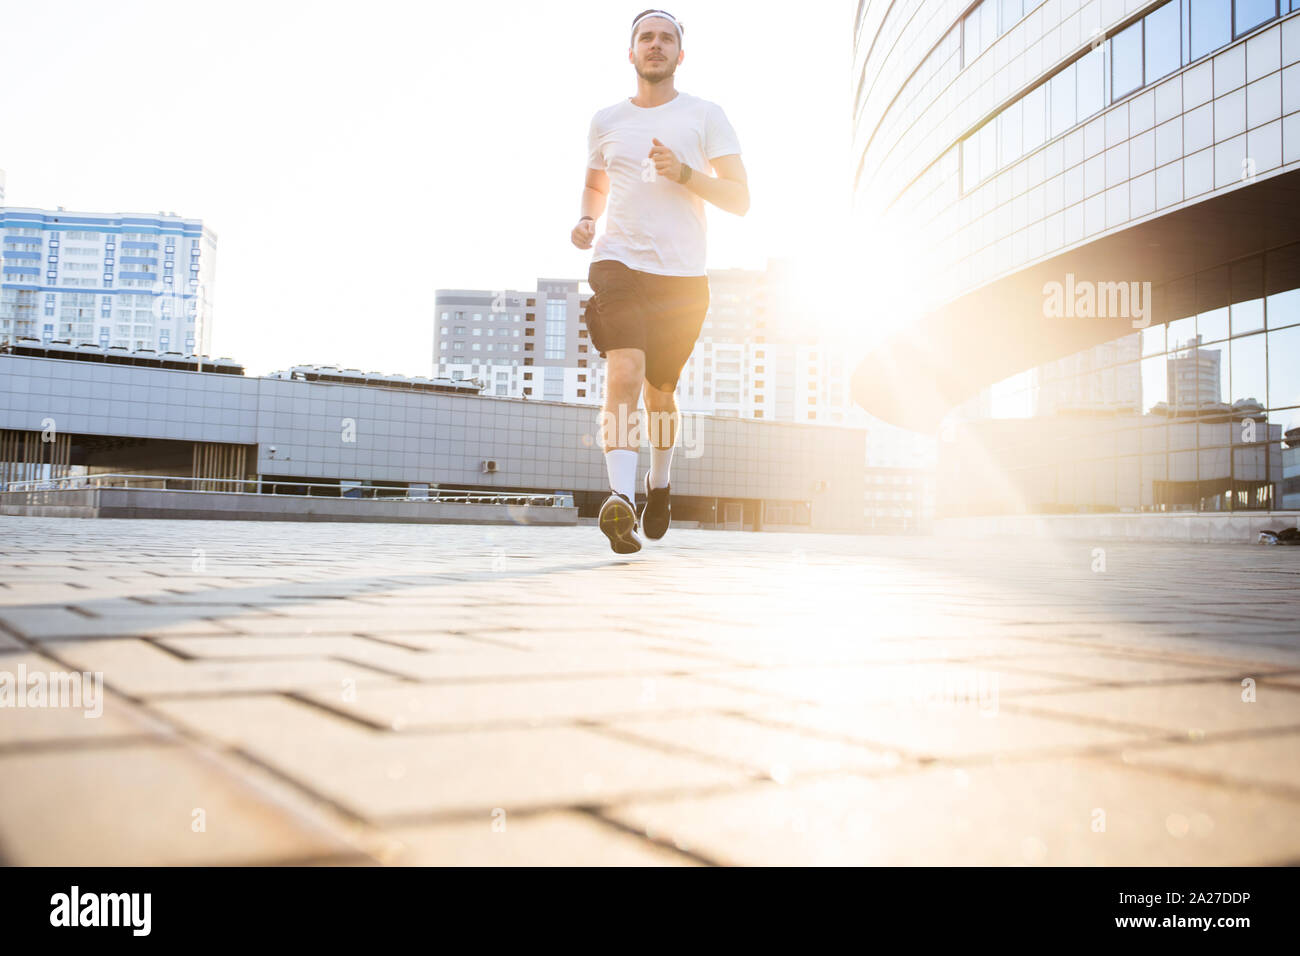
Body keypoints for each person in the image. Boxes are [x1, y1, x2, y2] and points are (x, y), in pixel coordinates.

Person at [572, 8, 749, 554]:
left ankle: (659, 483)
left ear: (679, 54)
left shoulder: (705, 115)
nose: (655, 45)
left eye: (665, 38)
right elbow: (596, 184)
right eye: (645, 38)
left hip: (681, 279)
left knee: (661, 396)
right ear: (631, 53)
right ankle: (620, 499)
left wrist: (685, 174)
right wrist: (585, 219)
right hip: (617, 263)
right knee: (624, 369)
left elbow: (740, 200)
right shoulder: (606, 120)